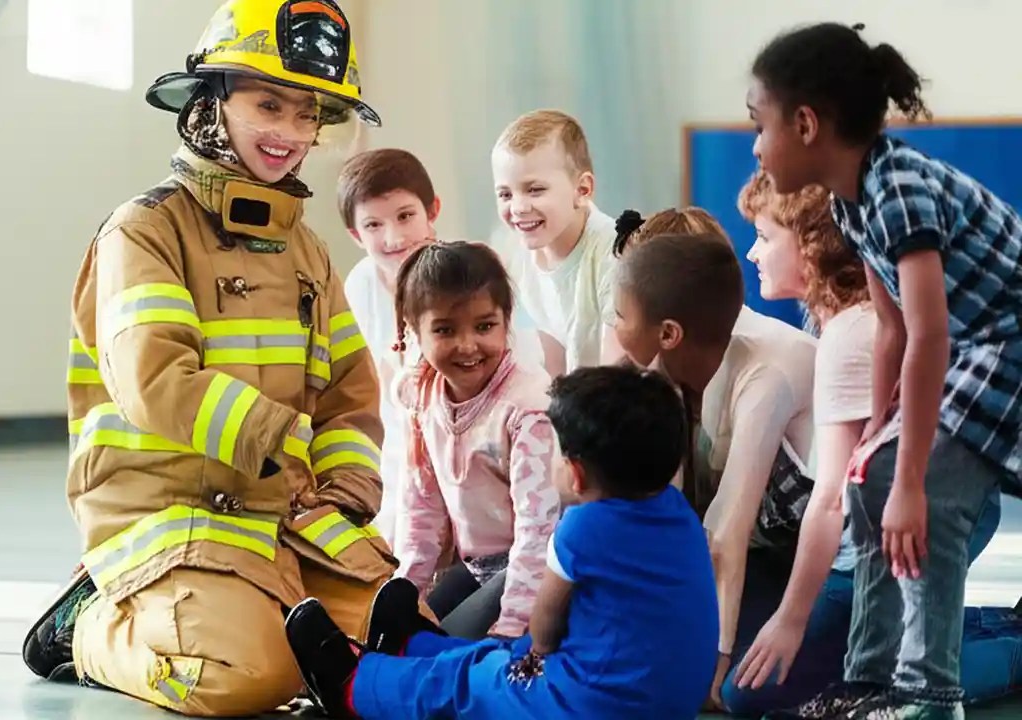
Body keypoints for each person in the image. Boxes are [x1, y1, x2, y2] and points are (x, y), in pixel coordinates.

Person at [19, 1, 396, 716]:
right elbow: (155, 378)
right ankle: (92, 627)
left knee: (397, 641)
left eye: (307, 113)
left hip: (278, 517)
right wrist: (282, 443)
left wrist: (346, 489)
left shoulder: (307, 250)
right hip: (165, 518)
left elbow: (351, 390)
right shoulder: (145, 231)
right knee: (246, 676)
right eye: (268, 104)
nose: (289, 132)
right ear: (212, 100)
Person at [745, 21, 1022, 719]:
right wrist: (875, 438)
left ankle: (930, 693)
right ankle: (870, 680)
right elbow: (893, 328)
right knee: (869, 483)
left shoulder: (898, 190)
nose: (754, 144)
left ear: (805, 124)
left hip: (1004, 336)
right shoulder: (850, 198)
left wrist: (908, 481)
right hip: (970, 342)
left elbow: (930, 334)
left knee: (925, 496)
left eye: (760, 123)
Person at [282, 363, 718, 720]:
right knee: (495, 656)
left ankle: (355, 687)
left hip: (591, 706)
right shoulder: (677, 512)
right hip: (666, 701)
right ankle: (413, 646)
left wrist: (537, 655)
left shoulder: (584, 528)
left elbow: (544, 622)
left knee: (472, 682)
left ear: (577, 473)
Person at [614, 208, 819, 710]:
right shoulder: (670, 363)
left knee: (737, 690)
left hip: (846, 552)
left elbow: (727, 526)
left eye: (621, 309)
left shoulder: (766, 364)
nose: (613, 322)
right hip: (775, 548)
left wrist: (716, 654)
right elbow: (673, 511)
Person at [382, 241, 562, 640]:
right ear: (414, 332)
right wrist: (403, 596)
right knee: (403, 635)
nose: (467, 346)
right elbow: (421, 507)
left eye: (484, 326)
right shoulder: (423, 394)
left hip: (532, 568)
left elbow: (538, 531)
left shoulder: (527, 407)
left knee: (443, 645)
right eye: (445, 330)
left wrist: (512, 625)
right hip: (475, 567)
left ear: (506, 320)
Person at [337, 148, 440, 545]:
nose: (394, 237)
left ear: (432, 211)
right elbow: (372, 385)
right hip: (396, 447)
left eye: (405, 216)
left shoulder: (461, 275)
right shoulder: (360, 284)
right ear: (355, 236)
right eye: (374, 225)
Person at [491, 109, 624, 375]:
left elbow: (617, 370)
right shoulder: (515, 251)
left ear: (582, 190)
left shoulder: (615, 255)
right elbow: (554, 360)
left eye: (535, 190)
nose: (517, 207)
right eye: (505, 194)